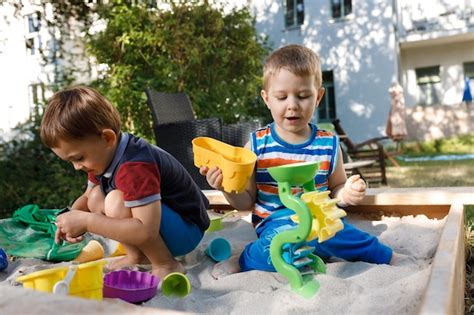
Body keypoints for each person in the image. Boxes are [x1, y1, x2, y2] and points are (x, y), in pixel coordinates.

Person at [200, 45, 393, 273]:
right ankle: (244, 259)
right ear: (267, 99)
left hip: (319, 219)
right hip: (276, 223)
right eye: (281, 97)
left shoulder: (328, 144)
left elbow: (337, 187)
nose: (292, 105)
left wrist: (347, 193)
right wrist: (226, 187)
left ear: (318, 96)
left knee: (346, 235)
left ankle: (388, 257)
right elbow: (246, 202)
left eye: (303, 96)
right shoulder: (257, 145)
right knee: (280, 247)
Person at [40, 86, 210, 279]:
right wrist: (69, 219)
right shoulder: (102, 158)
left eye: (78, 158)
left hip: (187, 229)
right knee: (96, 196)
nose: (76, 167)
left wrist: (87, 221)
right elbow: (88, 197)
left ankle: (165, 263)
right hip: (162, 225)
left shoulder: (135, 165)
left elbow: (145, 231)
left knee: (115, 201)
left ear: (107, 138)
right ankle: (136, 255)